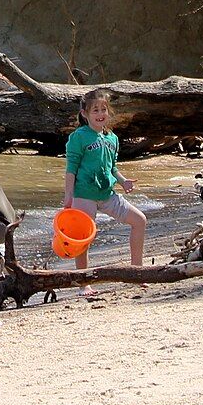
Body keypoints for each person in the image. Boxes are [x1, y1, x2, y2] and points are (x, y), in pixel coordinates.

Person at [60, 88, 147, 272]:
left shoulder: (112, 138)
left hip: (107, 194)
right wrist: (68, 195)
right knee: (84, 237)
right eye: (95, 110)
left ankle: (137, 271)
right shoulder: (79, 137)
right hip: (84, 195)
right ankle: (84, 282)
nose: (100, 114)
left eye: (103, 109)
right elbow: (71, 169)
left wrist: (123, 181)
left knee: (140, 221)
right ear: (85, 114)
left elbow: (112, 167)